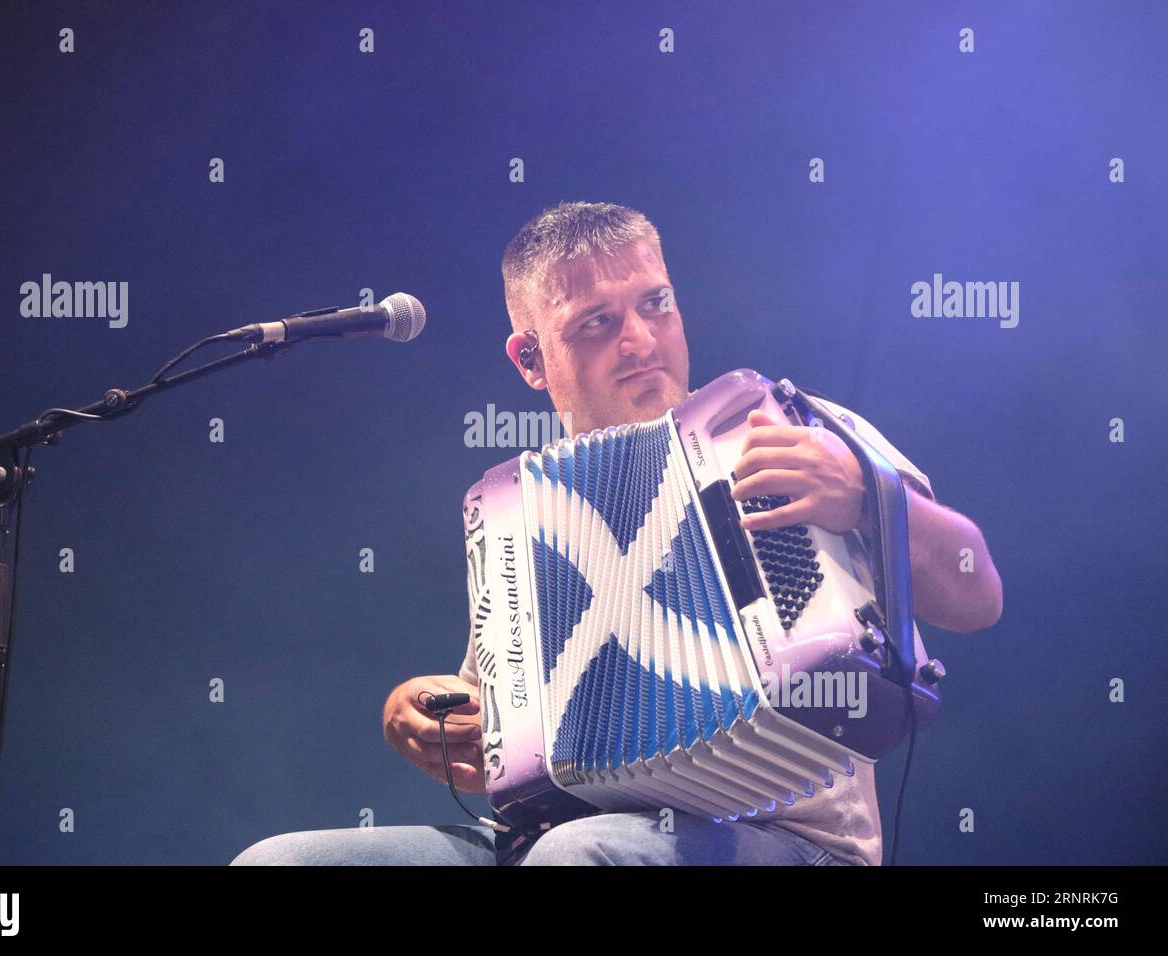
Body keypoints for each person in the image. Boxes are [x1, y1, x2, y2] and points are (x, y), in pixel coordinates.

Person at [232, 202, 1003, 866]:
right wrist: (431, 711)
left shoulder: (783, 428)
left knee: (582, 854)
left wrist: (868, 496)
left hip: (791, 840)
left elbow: (977, 595)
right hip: (565, 838)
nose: (639, 339)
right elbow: (508, 723)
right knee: (280, 861)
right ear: (531, 358)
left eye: (656, 304)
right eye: (598, 323)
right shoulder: (520, 509)